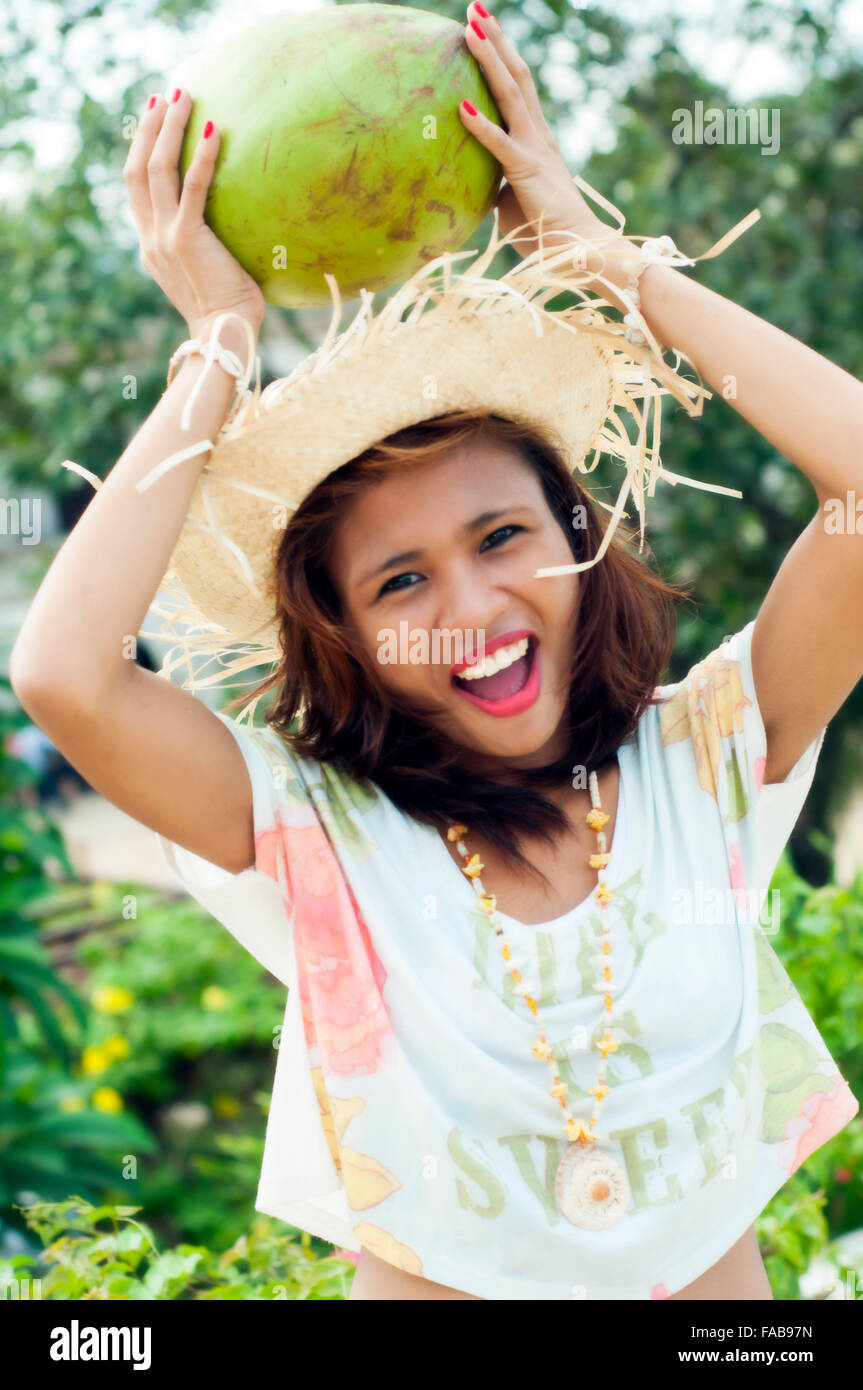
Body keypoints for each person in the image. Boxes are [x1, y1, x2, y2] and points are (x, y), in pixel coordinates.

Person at [11, 5, 861, 1301]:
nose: (471, 603)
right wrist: (219, 343)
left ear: (580, 538)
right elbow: (64, 675)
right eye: (401, 577)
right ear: (342, 634)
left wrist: (604, 255)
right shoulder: (317, 825)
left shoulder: (710, 758)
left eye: (504, 534)